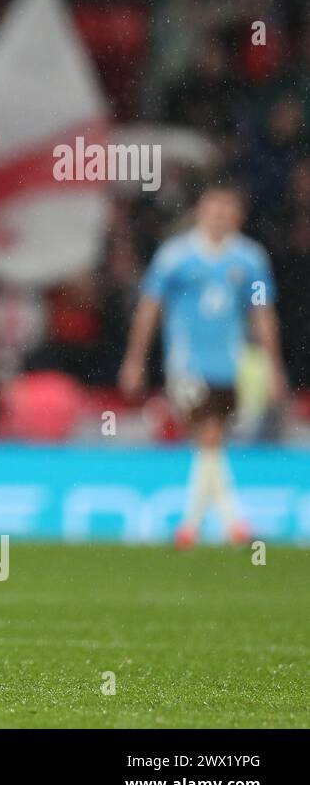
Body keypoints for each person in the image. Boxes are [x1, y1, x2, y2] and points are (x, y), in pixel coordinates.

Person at [119, 185, 286, 549]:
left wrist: (274, 366)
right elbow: (150, 307)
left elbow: (262, 314)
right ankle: (233, 525)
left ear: (237, 217)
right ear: (200, 212)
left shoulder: (249, 259)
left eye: (227, 211)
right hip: (188, 365)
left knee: (211, 443)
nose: (220, 217)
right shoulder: (175, 257)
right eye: (214, 210)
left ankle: (193, 527)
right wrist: (134, 359)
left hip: (232, 366)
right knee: (209, 435)